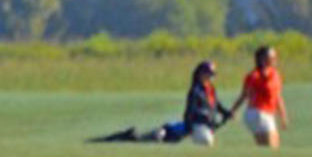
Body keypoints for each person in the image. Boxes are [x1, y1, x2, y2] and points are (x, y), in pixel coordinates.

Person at [89, 60, 231, 144]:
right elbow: (190, 111)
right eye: (208, 74)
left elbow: (216, 105)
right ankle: (126, 136)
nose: (211, 77)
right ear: (200, 74)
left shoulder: (210, 89)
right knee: (154, 137)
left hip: (196, 128)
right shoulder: (195, 91)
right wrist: (193, 123)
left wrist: (226, 113)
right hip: (185, 127)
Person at [227, 44, 290, 148]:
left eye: (275, 57)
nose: (275, 59)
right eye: (272, 57)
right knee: (272, 147)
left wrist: (283, 116)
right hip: (259, 114)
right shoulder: (254, 76)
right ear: (263, 59)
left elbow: (277, 97)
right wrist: (233, 110)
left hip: (262, 114)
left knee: (265, 148)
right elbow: (245, 95)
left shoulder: (275, 75)